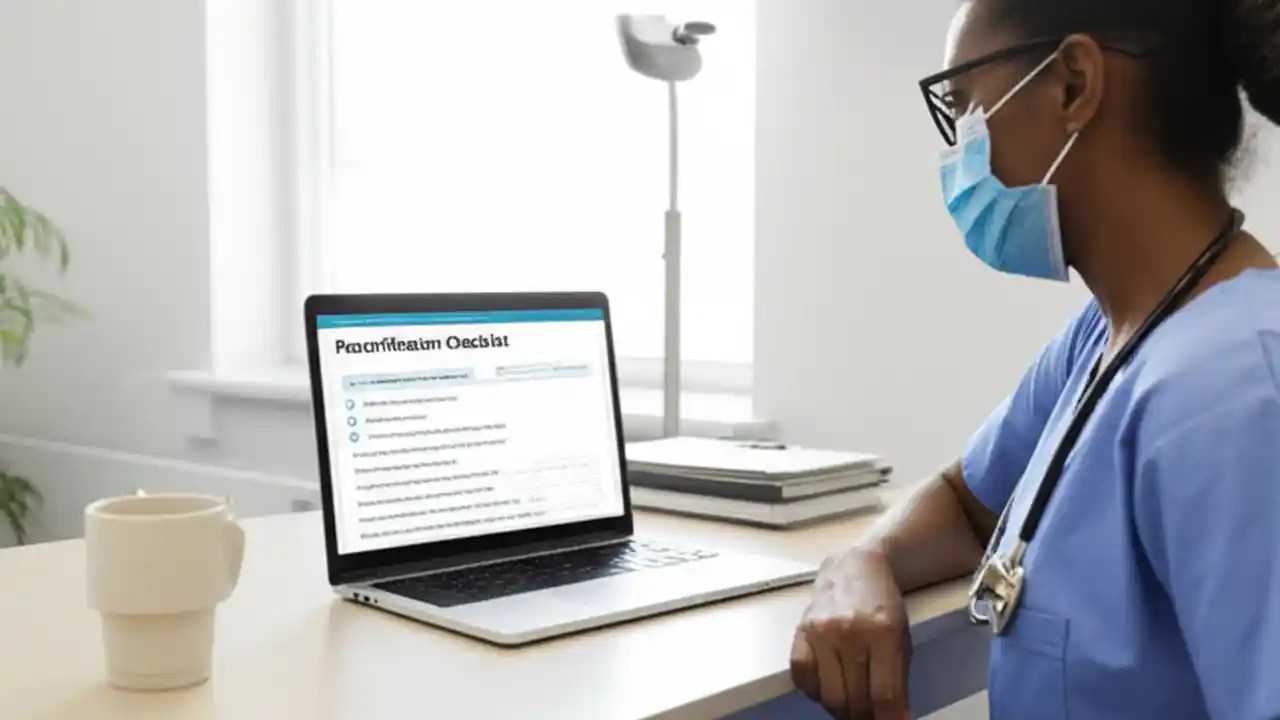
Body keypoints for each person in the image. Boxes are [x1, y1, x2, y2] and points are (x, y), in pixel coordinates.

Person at [790, 0, 1280, 718]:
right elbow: (965, 505)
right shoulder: (1109, 336)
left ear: (1073, 84)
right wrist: (862, 560)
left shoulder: (1237, 392)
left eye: (966, 106)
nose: (960, 149)